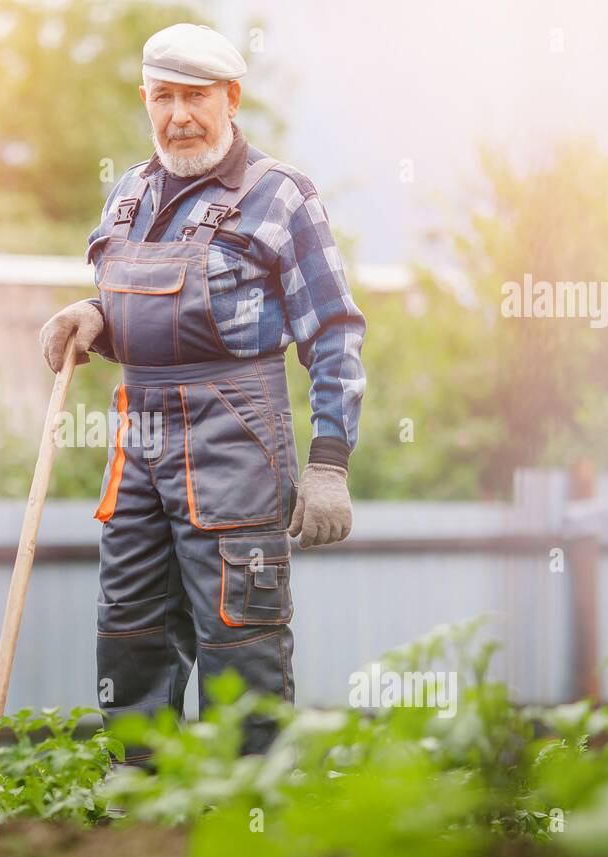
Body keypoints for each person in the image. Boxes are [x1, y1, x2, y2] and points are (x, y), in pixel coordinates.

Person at [39, 22, 366, 757]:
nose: (179, 115)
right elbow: (139, 312)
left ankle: (247, 807)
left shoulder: (282, 197)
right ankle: (139, 808)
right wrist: (94, 316)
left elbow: (334, 331)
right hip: (140, 445)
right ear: (145, 99)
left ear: (231, 98)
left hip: (237, 448)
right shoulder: (128, 192)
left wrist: (330, 463)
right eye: (164, 97)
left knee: (240, 638)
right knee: (129, 628)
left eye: (195, 96)